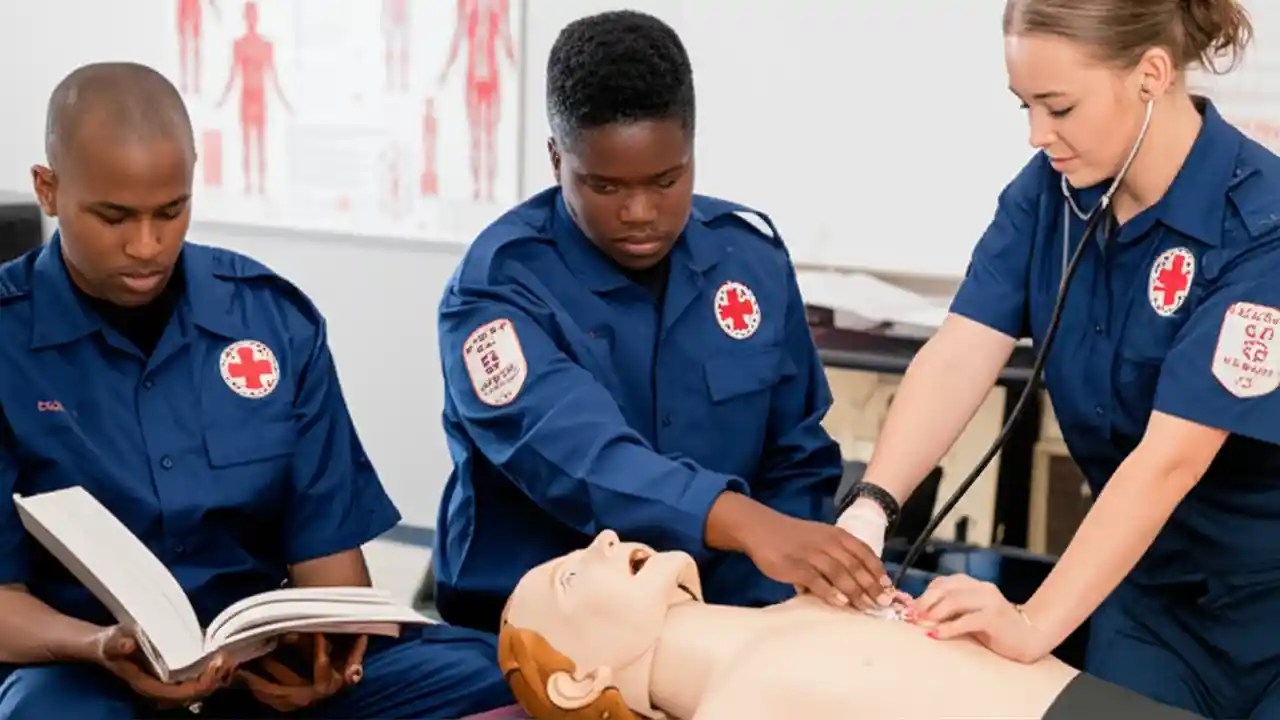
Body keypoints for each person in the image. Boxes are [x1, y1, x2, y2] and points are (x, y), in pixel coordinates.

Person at [0, 62, 512, 719]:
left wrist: (329, 656)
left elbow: (331, 571)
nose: (148, 245)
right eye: (114, 217)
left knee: (491, 670)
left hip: (256, 665)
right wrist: (100, 645)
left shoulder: (271, 321)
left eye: (171, 210)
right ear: (48, 190)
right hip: (86, 667)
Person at [831, 1, 1280, 717]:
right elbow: (960, 352)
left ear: (1151, 74)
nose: (1040, 136)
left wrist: (1034, 622)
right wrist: (871, 508)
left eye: (1060, 107)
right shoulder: (1050, 196)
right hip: (1145, 593)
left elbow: (1170, 459)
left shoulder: (1262, 226)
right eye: (1025, 107)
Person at [434, 10, 889, 635]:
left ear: (692, 151)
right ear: (554, 159)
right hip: (538, 630)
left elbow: (797, 458)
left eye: (666, 179)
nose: (641, 212)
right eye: (604, 186)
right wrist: (754, 528)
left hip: (731, 614)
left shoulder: (748, 259)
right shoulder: (496, 291)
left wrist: (782, 601)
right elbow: (586, 463)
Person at [494, 529, 1204, 720]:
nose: (606, 539)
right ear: (579, 681)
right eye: (572, 572)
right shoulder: (733, 707)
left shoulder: (803, 599)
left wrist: (1009, 615)